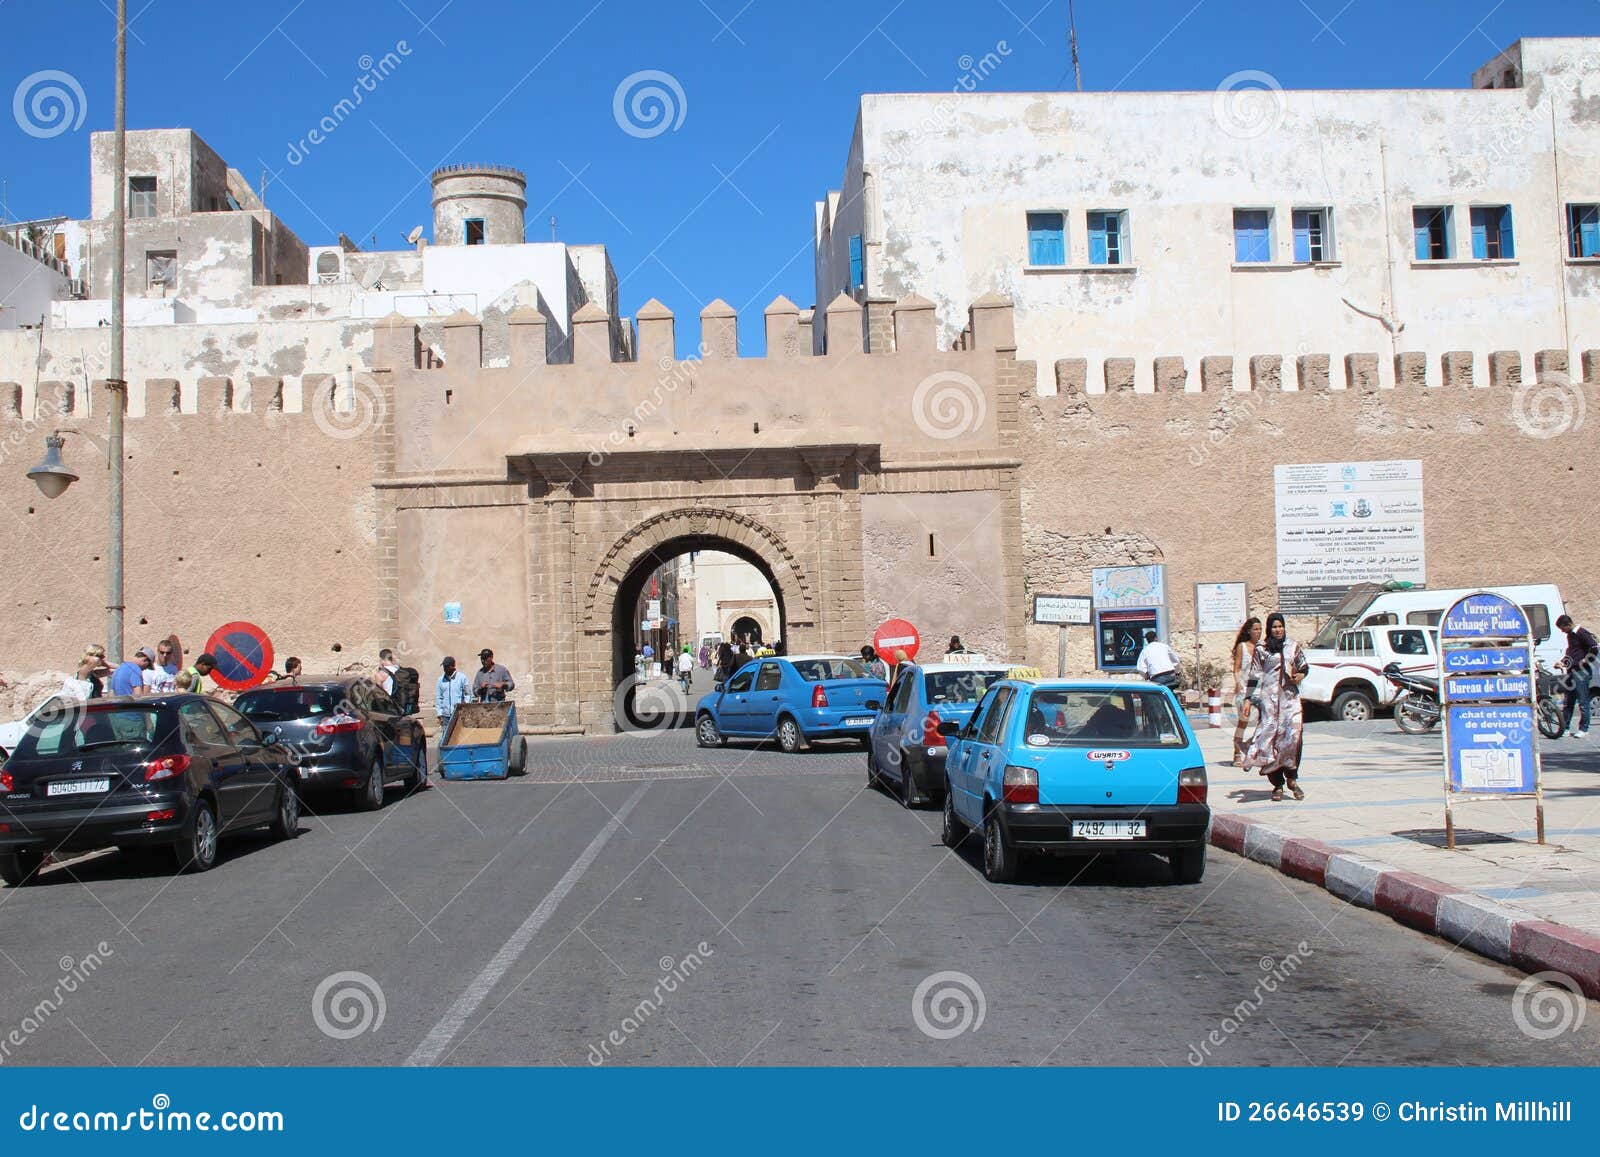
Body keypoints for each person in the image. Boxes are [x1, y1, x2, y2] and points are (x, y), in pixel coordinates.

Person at [1240, 613, 1308, 802]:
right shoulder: (1262, 649)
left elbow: (1303, 666)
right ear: (1269, 629)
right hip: (1269, 702)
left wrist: (1300, 676)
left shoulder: (1293, 646)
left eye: (1281, 627)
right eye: (1274, 627)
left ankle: (1292, 779)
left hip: (1290, 701)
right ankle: (1277, 784)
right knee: (1269, 740)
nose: (1278, 630)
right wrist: (1248, 699)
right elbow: (1254, 675)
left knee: (1293, 739)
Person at [1556, 614, 1597, 739]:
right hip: (1572, 671)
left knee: (1583, 701)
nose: (1562, 631)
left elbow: (1594, 647)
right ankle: (1565, 728)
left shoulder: (1581, 633)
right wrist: (1563, 662)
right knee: (1569, 701)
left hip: (1582, 672)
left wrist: (1585, 660)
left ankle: (1583, 729)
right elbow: (1572, 653)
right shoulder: (1571, 635)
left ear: (1568, 624)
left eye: (1562, 628)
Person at [1229, 617, 1263, 765]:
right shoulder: (1242, 647)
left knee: (1264, 722)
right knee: (1242, 722)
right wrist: (1237, 683)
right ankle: (1237, 753)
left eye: (1260, 629)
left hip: (1260, 689)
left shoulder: (1262, 647)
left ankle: (1253, 748)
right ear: (1249, 631)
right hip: (1244, 690)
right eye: (1256, 629)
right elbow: (1236, 668)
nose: (1258, 632)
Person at [436, 656, 471, 738]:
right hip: (446, 715)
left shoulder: (462, 678)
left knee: (459, 736)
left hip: (458, 714)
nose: (445, 669)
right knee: (446, 737)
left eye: (447, 666)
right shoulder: (440, 680)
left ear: (453, 666)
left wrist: (465, 705)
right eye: (444, 667)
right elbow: (439, 697)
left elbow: (468, 694)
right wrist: (439, 713)